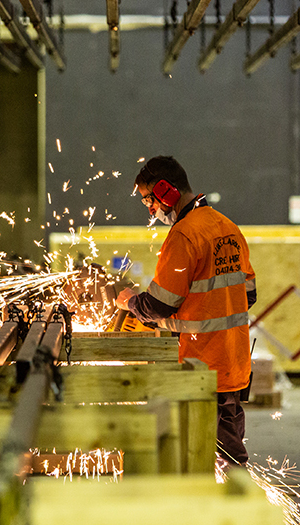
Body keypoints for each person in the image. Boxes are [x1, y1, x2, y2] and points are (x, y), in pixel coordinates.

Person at [115, 156, 256, 467]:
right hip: (234, 362)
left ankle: (235, 510)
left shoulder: (183, 235)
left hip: (200, 369)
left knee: (198, 462)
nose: (150, 211)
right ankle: (237, 508)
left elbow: (157, 305)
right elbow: (249, 294)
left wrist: (129, 302)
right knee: (229, 456)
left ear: (166, 191)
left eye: (149, 201)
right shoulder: (227, 227)